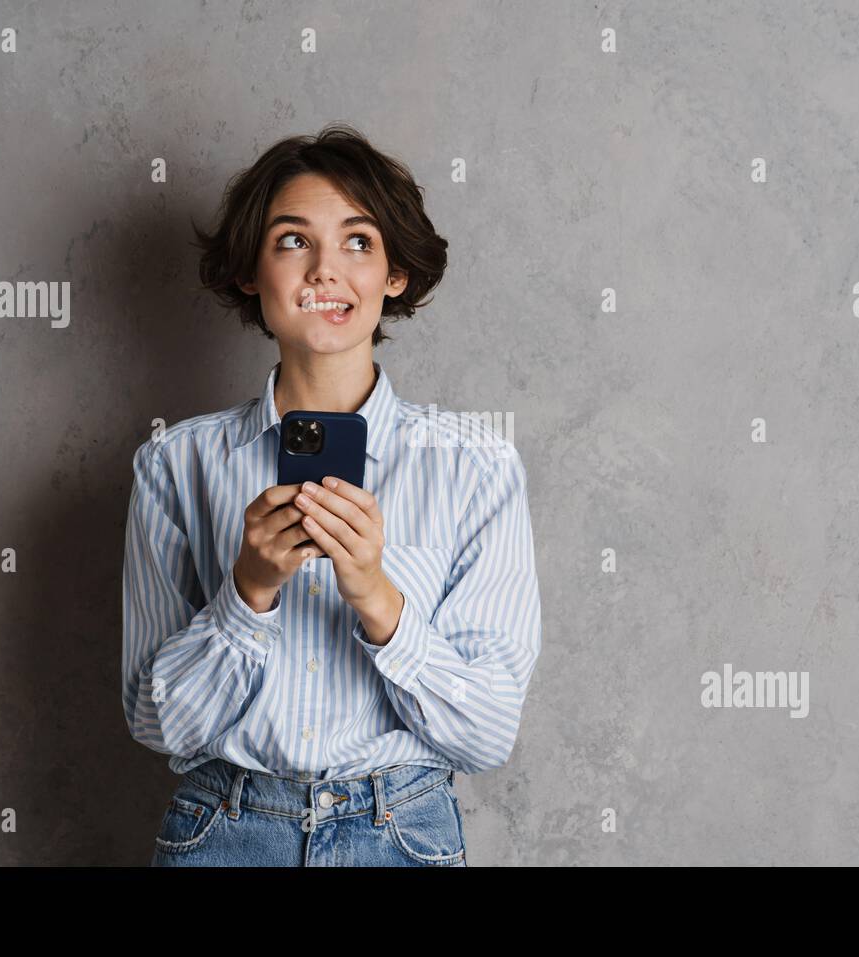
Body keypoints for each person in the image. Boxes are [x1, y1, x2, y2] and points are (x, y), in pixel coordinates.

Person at [121, 124, 542, 866]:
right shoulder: (174, 463)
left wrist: (377, 597)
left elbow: (484, 734)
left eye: (358, 242)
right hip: (223, 831)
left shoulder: (476, 466)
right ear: (252, 271)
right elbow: (158, 723)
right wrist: (246, 592)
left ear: (397, 274)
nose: (324, 270)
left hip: (401, 834)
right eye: (291, 241)